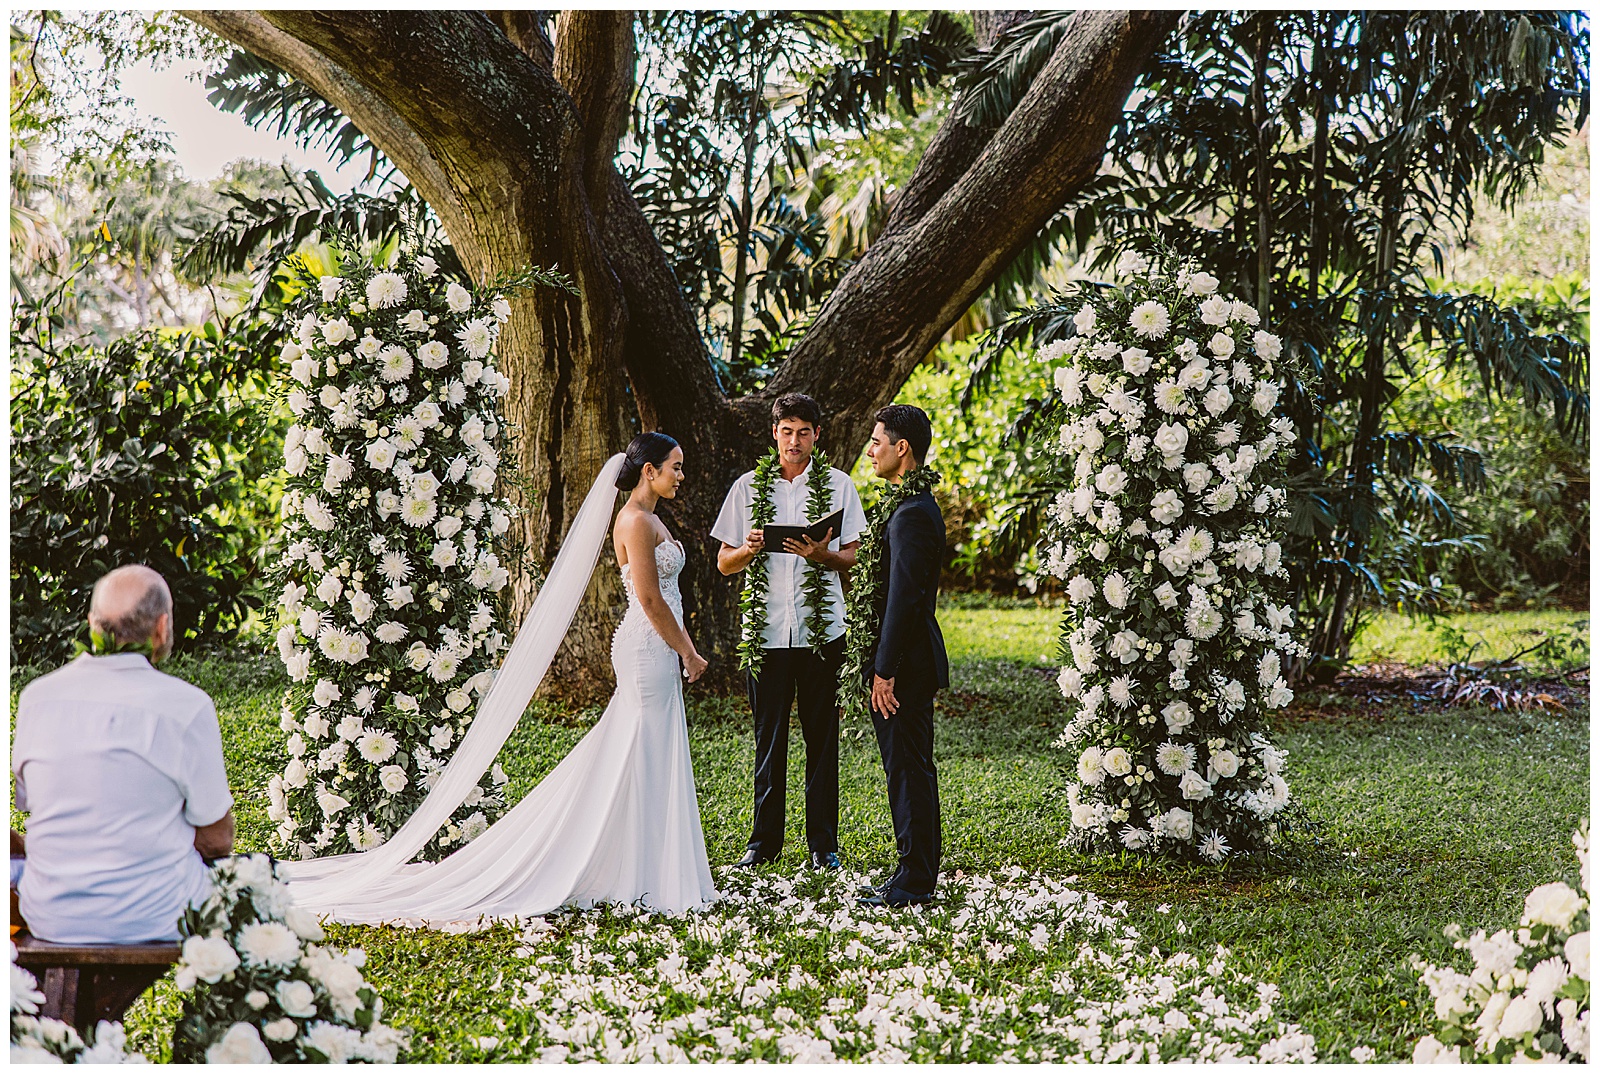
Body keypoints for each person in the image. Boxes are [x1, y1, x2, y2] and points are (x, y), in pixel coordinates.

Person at [279, 434, 720, 925]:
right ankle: (636, 868)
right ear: (649, 471)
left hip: (656, 647)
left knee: (644, 748)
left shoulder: (653, 518)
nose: (681, 475)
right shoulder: (635, 521)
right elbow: (650, 599)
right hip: (648, 647)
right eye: (675, 467)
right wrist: (690, 651)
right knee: (641, 745)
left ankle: (646, 865)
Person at [11, 565, 235, 943]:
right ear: (162, 628)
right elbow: (217, 841)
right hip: (160, 915)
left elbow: (31, 805)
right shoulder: (187, 706)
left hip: (52, 915)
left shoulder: (36, 698)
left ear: (92, 626)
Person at [712, 394, 867, 870]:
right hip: (768, 633)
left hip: (823, 634)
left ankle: (824, 845)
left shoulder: (839, 486)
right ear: (773, 433)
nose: (794, 441)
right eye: (787, 431)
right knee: (768, 738)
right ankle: (763, 844)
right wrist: (750, 550)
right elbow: (723, 563)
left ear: (817, 435)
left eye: (804, 432)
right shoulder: (746, 488)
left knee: (822, 739)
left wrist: (822, 556)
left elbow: (854, 556)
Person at [856, 405, 948, 908]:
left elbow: (904, 600)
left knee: (909, 770)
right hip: (904, 661)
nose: (871, 450)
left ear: (902, 449)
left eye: (876, 441)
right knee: (908, 768)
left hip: (906, 665)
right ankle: (912, 872)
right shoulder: (907, 507)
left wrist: (884, 670)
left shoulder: (911, 515)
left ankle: (914, 883)